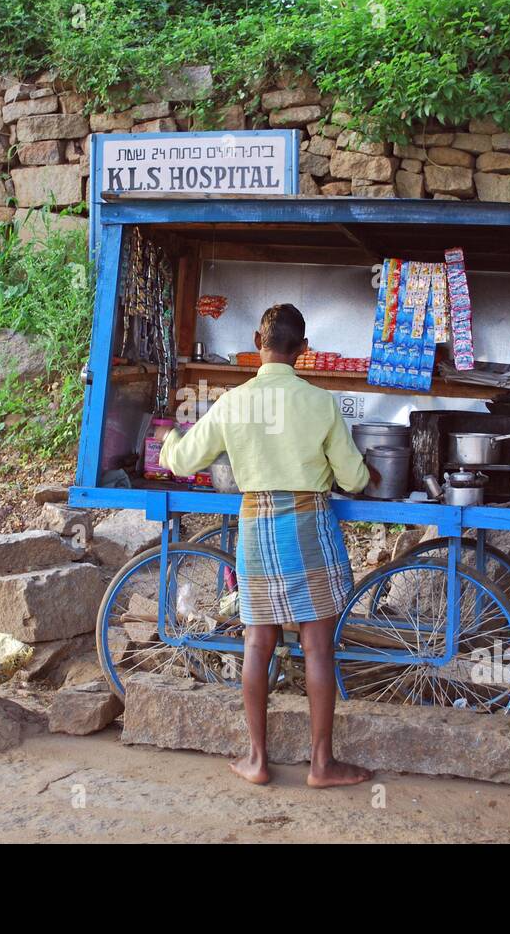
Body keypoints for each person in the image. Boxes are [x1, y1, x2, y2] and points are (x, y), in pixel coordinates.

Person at [157, 303, 376, 788]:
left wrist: (170, 436)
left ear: (259, 344)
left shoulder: (233, 401)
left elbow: (184, 459)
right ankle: (321, 765)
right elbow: (354, 480)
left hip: (257, 525)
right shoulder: (320, 403)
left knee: (259, 643)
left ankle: (257, 760)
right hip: (308, 525)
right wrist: (365, 472)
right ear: (302, 349)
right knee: (318, 647)